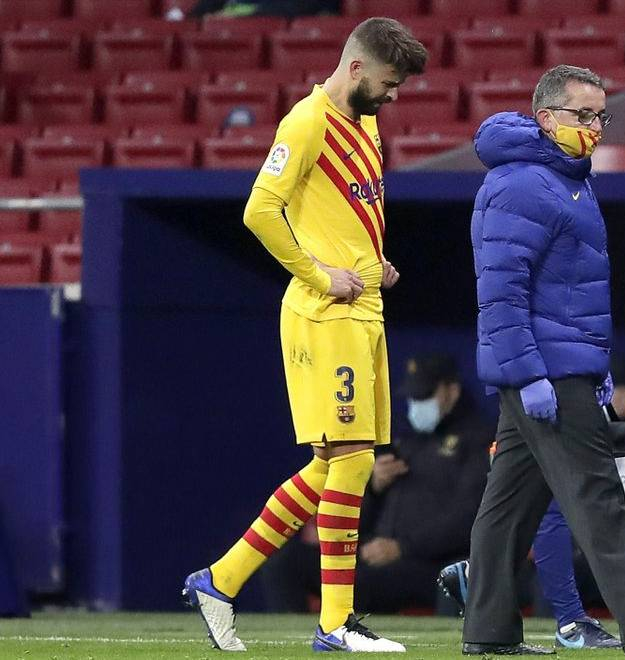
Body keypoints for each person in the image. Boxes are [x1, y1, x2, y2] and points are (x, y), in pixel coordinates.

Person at [180, 18, 427, 653]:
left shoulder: (366, 123)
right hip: (325, 312)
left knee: (333, 463)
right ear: (356, 68)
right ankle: (335, 622)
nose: (393, 94)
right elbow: (259, 210)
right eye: (389, 82)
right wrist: (319, 273)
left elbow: (347, 211)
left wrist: (374, 261)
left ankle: (219, 580)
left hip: (365, 307)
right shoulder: (305, 122)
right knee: (353, 458)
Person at [462, 64, 625, 655]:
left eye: (601, 115)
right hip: (545, 368)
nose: (595, 126)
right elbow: (501, 292)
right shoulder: (525, 184)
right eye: (583, 114)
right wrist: (531, 375)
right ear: (546, 118)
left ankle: (488, 634)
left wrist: (596, 365)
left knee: (508, 508)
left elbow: (566, 292)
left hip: (559, 363)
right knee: (596, 491)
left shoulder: (565, 178)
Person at [260, 354, 491, 614]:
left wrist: (402, 548)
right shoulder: (407, 442)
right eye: (413, 397)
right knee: (284, 563)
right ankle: (295, 636)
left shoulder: (477, 441)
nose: (417, 404)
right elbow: (359, 516)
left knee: (359, 584)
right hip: (371, 553)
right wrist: (373, 487)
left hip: (426, 564)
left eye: (425, 396)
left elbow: (469, 518)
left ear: (452, 390)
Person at [439, 420, 625, 649]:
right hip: (549, 392)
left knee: (529, 482)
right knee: (556, 492)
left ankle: (480, 576)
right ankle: (571, 622)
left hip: (530, 396)